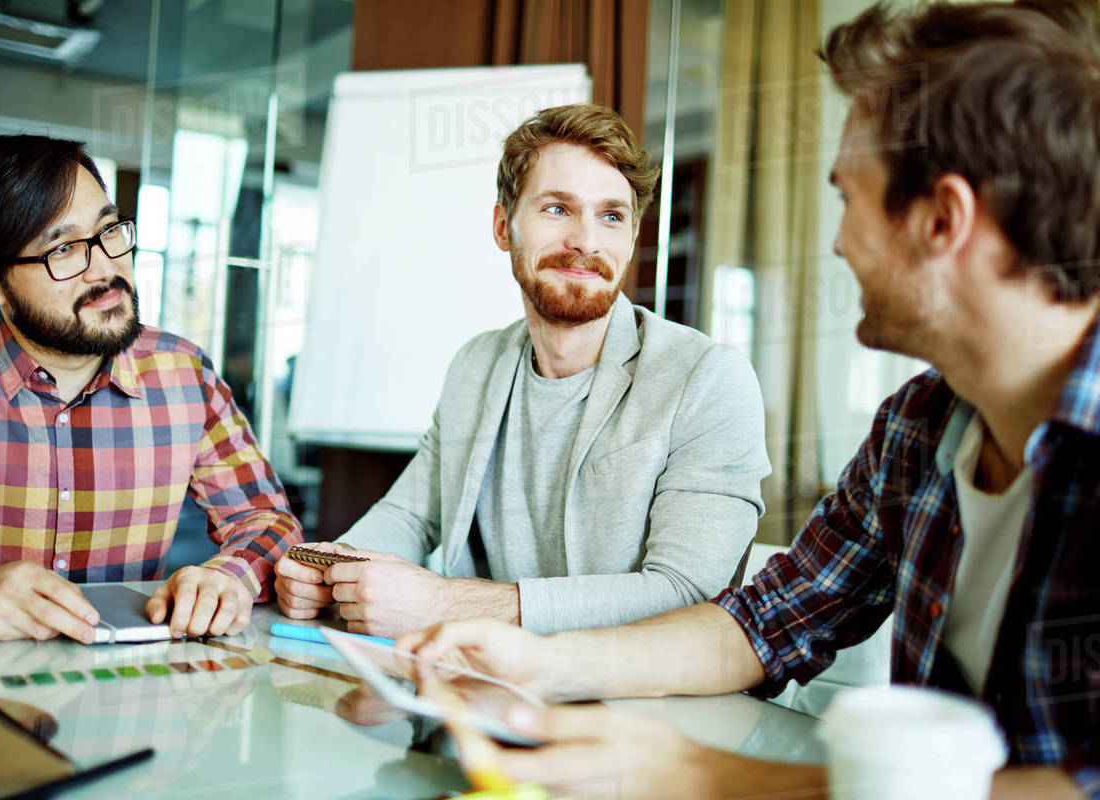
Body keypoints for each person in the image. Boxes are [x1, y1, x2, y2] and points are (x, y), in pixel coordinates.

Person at [396, 2, 1100, 798]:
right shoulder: (918, 429)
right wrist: (543, 660)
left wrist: (706, 776)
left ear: (942, 220)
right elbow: (764, 624)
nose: (835, 241)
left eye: (847, 198)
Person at [275, 104, 770, 638]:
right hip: (483, 694)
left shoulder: (708, 379)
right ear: (503, 226)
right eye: (557, 209)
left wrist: (448, 603)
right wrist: (333, 567)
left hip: (633, 707)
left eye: (611, 216)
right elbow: (413, 516)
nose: (586, 240)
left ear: (630, 238)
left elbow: (688, 594)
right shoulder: (476, 364)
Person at [0, 135, 304, 642]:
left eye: (109, 230)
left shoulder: (183, 374)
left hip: (129, 694)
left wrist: (228, 578)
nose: (106, 269)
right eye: (64, 249)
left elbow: (266, 519)